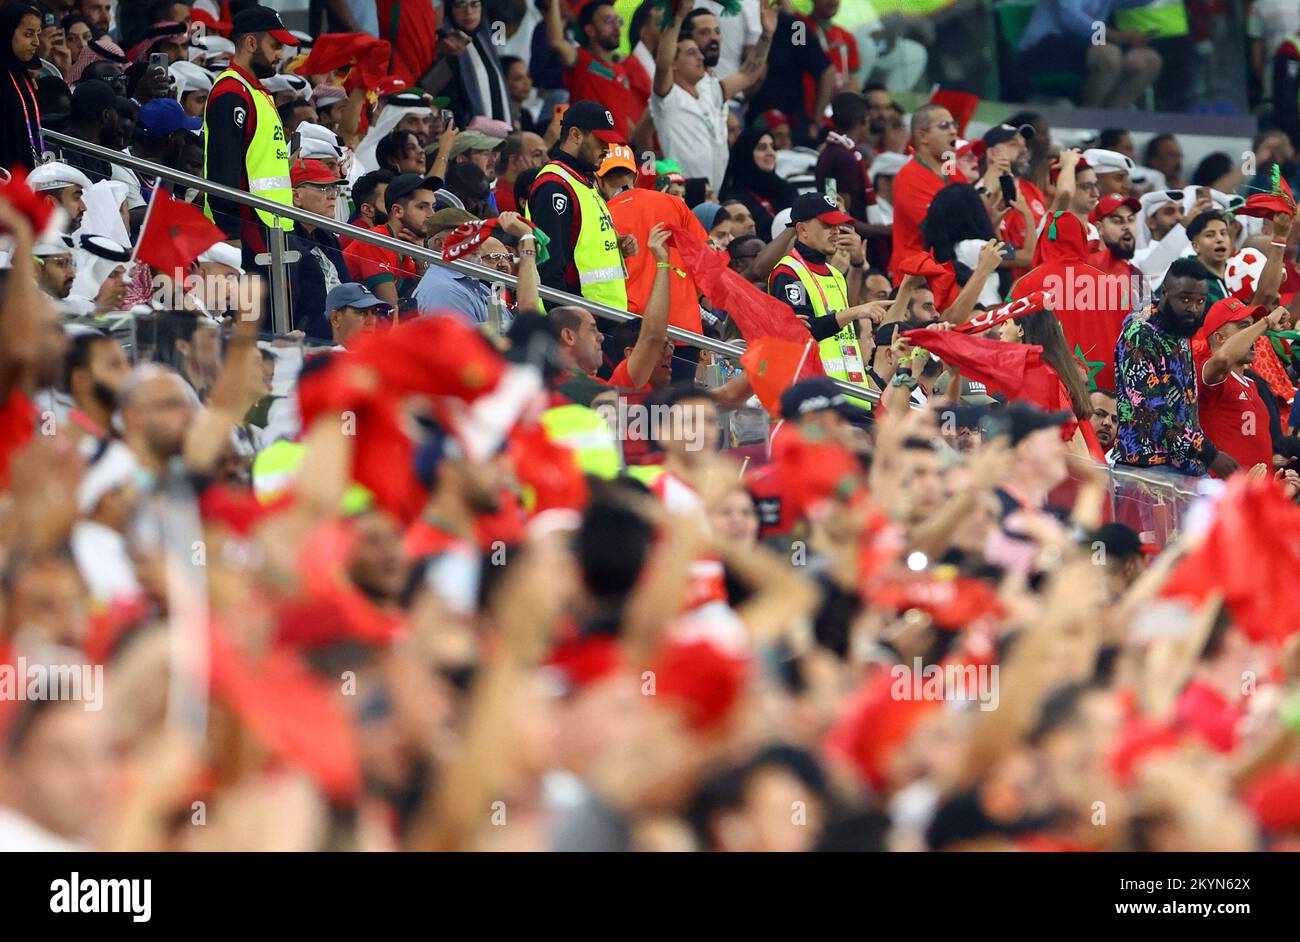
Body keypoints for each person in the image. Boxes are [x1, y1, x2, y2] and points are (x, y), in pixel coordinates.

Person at [1113, 257, 1233, 477]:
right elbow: (1151, 411)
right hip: (1147, 467)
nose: (1193, 309)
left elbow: (1185, 409)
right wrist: (1209, 453)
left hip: (1187, 466)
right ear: (1166, 292)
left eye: (1200, 301)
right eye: (1185, 299)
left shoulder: (1180, 329)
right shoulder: (1140, 334)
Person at [202, 4, 300, 269]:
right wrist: (231, 235)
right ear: (250, 43)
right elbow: (223, 171)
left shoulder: (255, 92)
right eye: (276, 45)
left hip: (272, 223)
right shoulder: (231, 93)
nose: (281, 54)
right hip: (248, 228)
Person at [770, 193, 887, 409]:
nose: (835, 231)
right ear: (802, 229)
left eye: (838, 225)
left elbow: (845, 336)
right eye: (827, 225)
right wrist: (856, 312)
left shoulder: (835, 273)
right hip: (817, 401)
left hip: (854, 398)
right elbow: (802, 333)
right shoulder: (788, 272)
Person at [650, 1, 774, 195]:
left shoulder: (712, 89)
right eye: (692, 53)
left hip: (713, 193)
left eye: (717, 31)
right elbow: (663, 66)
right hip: (682, 193)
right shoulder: (668, 96)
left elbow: (748, 75)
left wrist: (766, 35)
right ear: (675, 61)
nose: (700, 57)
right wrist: (678, 16)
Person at [525, 99, 627, 311]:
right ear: (575, 135)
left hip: (601, 316)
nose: (608, 149)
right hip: (577, 320)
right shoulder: (554, 185)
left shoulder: (580, 180)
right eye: (601, 141)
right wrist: (567, 322)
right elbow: (550, 267)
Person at [1193, 298, 1289, 475]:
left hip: (1254, 496)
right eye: (1245, 326)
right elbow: (1222, 359)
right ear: (1220, 338)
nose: (1255, 334)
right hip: (1223, 495)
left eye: (1253, 326)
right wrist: (1266, 322)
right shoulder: (1208, 373)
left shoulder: (1253, 384)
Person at [1017, 0, 1162, 109]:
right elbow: (1071, 19)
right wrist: (1116, 35)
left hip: (1091, 43)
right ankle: (1089, 119)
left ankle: (1111, 120)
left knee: (1148, 61)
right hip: (1045, 45)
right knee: (1108, 55)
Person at [546, 0, 641, 143]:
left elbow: (623, 118)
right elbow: (557, 42)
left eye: (617, 20)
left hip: (621, 155)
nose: (616, 26)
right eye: (608, 20)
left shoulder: (620, 70)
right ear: (590, 30)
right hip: (592, 155)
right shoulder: (582, 62)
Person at [342, 171, 436, 306]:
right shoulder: (377, 241)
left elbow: (426, 298)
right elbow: (391, 310)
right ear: (397, 211)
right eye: (422, 207)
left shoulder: (406, 243)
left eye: (433, 207)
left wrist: (421, 259)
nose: (431, 214)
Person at [888, 103, 956, 281]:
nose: (953, 131)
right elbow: (939, 229)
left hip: (946, 271)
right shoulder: (909, 176)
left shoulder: (953, 171)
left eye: (953, 124)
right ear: (923, 136)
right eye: (944, 126)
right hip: (914, 277)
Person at [287, 158, 353, 341]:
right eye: (324, 188)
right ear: (296, 197)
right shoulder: (283, 241)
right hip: (311, 339)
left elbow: (347, 286)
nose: (332, 195)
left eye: (334, 188)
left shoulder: (328, 237)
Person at [425, 0, 510, 127]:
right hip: (461, 132)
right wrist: (443, 54)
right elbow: (431, 90)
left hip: (497, 132)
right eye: (460, 5)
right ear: (450, 10)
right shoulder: (443, 44)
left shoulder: (486, 41)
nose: (468, 12)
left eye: (474, 4)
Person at [719, 127, 798, 246]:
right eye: (762, 148)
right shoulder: (733, 197)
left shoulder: (786, 190)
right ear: (746, 153)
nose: (770, 153)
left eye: (773, 147)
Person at [1, 5, 44, 172]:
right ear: (7, 32)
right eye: (28, 34)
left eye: (38, 34)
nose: (36, 42)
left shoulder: (23, 74)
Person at [323, 282, 392, 350]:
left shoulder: (383, 357)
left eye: (374, 312)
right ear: (336, 318)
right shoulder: (324, 360)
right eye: (362, 312)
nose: (372, 321)